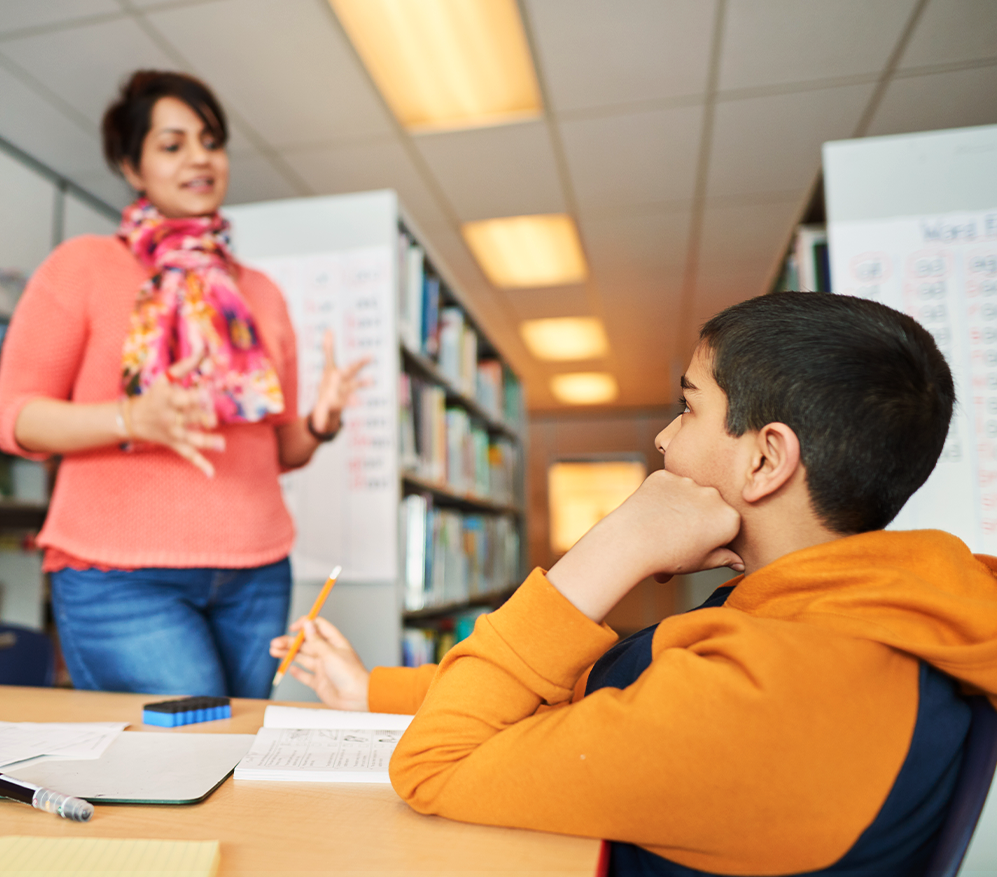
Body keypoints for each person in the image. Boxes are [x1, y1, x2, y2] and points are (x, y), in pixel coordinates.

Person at [272, 292, 997, 876]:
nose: (663, 441)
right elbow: (593, 692)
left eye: (689, 407)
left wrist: (616, 544)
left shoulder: (758, 698)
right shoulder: (855, 608)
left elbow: (434, 767)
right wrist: (367, 691)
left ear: (765, 460)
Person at [0, 70, 367, 698]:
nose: (199, 157)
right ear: (132, 167)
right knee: (183, 756)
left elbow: (279, 452)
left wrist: (321, 422)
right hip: (120, 575)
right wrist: (129, 419)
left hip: (255, 571)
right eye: (172, 144)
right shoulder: (82, 266)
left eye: (211, 141)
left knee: (237, 759)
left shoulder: (260, 293)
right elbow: (14, 417)